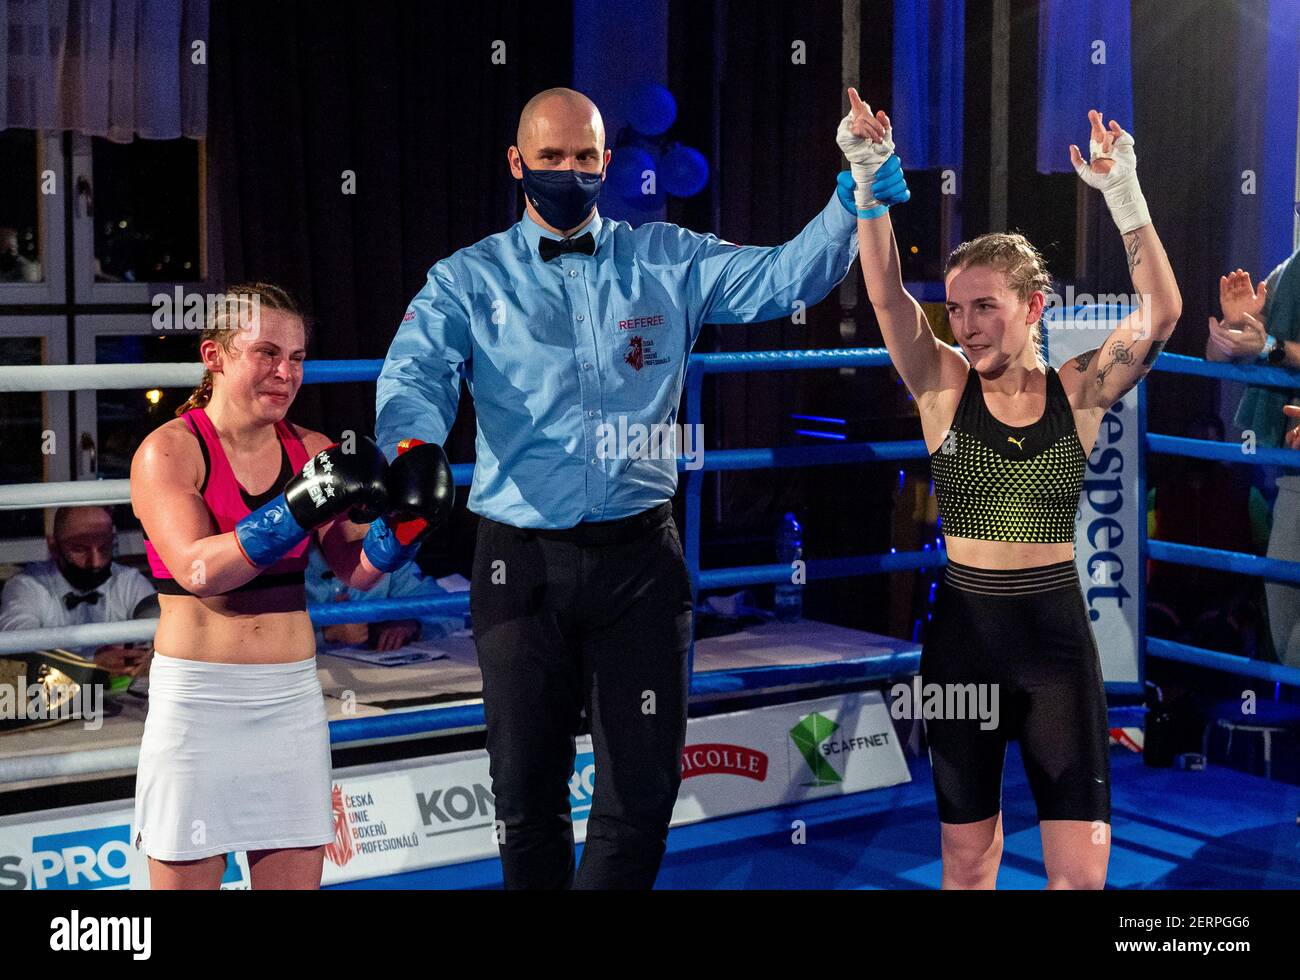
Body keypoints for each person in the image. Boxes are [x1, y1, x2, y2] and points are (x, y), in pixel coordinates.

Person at [375, 87, 860, 889]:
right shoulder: (468, 279)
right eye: (552, 156)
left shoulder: (667, 258)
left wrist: (853, 194)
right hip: (519, 564)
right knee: (525, 796)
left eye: (585, 156)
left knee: (641, 793)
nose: (569, 170)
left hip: (640, 563)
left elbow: (783, 280)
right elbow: (415, 371)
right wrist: (415, 443)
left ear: (608, 162)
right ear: (517, 162)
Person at [839, 89, 1182, 888]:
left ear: (1034, 306)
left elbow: (1161, 312)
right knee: (968, 866)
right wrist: (866, 178)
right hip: (964, 642)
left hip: (1057, 648)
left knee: (1081, 878)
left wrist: (1125, 197)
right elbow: (889, 296)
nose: (965, 325)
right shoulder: (941, 389)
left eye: (984, 308)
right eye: (956, 309)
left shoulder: (1080, 390)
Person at [129, 282, 452, 889]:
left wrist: (405, 529)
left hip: (289, 704)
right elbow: (200, 572)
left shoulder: (312, 449)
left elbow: (354, 571)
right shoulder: (168, 452)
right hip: (199, 705)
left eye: (297, 357)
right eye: (266, 354)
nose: (285, 372)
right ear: (215, 355)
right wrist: (296, 508)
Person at [1205, 251, 1300, 667]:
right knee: (1286, 636)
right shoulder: (1287, 274)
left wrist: (1270, 347)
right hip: (1292, 473)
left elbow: (1270, 349)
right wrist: (1233, 328)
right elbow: (1216, 356)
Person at [0, 505, 156, 675]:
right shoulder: (27, 586)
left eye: (104, 548)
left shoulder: (128, 581)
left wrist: (148, 657)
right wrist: (89, 663)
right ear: (53, 547)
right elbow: (19, 653)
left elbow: (164, 627)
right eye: (80, 550)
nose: (96, 562)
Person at [304, 539, 463, 651]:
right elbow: (279, 646)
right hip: (304, 684)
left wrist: (412, 626)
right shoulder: (288, 563)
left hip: (375, 685)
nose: (357, 528)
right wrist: (327, 635)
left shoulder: (387, 559)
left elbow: (452, 612)